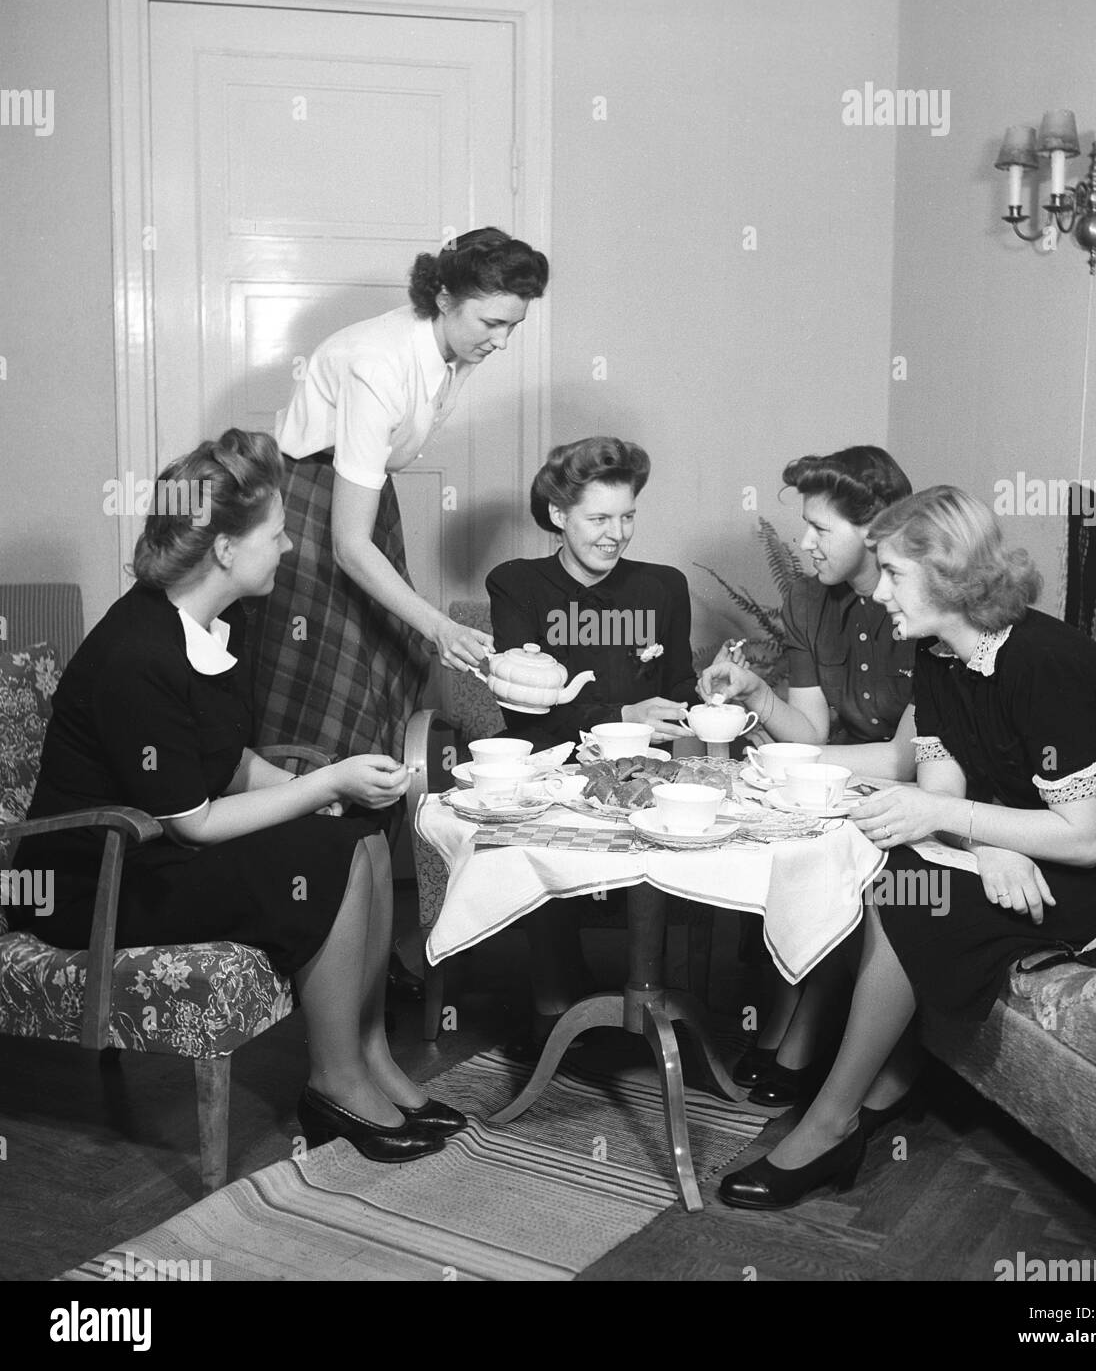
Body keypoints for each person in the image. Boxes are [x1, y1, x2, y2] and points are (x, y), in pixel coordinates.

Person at [718, 485, 1096, 1210]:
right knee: (888, 867)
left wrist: (963, 824)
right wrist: (983, 844)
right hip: (1028, 835)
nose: (879, 596)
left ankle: (834, 1120)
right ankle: (885, 1082)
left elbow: (1086, 840)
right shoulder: (937, 655)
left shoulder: (1044, 662)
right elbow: (942, 789)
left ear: (950, 576)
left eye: (895, 576)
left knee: (915, 891)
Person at [13, 431, 466, 1162]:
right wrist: (323, 781)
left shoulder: (218, 622)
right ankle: (335, 1083)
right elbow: (193, 821)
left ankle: (375, 1056)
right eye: (278, 533)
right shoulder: (138, 653)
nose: (288, 548)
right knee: (331, 850)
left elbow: (222, 762)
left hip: (158, 844)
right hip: (95, 878)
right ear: (225, 548)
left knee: (358, 834)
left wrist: (317, 793)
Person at [248, 228, 549, 763]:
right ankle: (319, 826)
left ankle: (371, 837)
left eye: (513, 326)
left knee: (390, 664)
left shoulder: (456, 345)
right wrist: (440, 627)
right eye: (493, 323)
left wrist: (433, 631)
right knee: (334, 679)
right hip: (313, 509)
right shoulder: (379, 364)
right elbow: (349, 545)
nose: (502, 342)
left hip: (362, 494)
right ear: (444, 299)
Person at [697, 447, 918, 1104]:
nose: (803, 542)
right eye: (805, 526)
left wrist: (780, 764)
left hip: (920, 785)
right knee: (786, 842)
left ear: (875, 531)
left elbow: (904, 760)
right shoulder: (808, 600)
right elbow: (814, 730)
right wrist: (758, 696)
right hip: (840, 771)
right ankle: (784, 1021)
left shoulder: (917, 604)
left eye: (820, 529)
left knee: (835, 851)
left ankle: (802, 1029)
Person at [485, 436, 697, 1047]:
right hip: (553, 763)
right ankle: (556, 1006)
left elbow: (679, 687)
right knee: (543, 835)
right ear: (558, 515)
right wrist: (624, 710)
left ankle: (650, 995)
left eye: (627, 516)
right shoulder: (517, 584)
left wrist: (701, 701)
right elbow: (524, 709)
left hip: (646, 775)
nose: (616, 534)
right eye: (599, 518)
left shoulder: (663, 586)